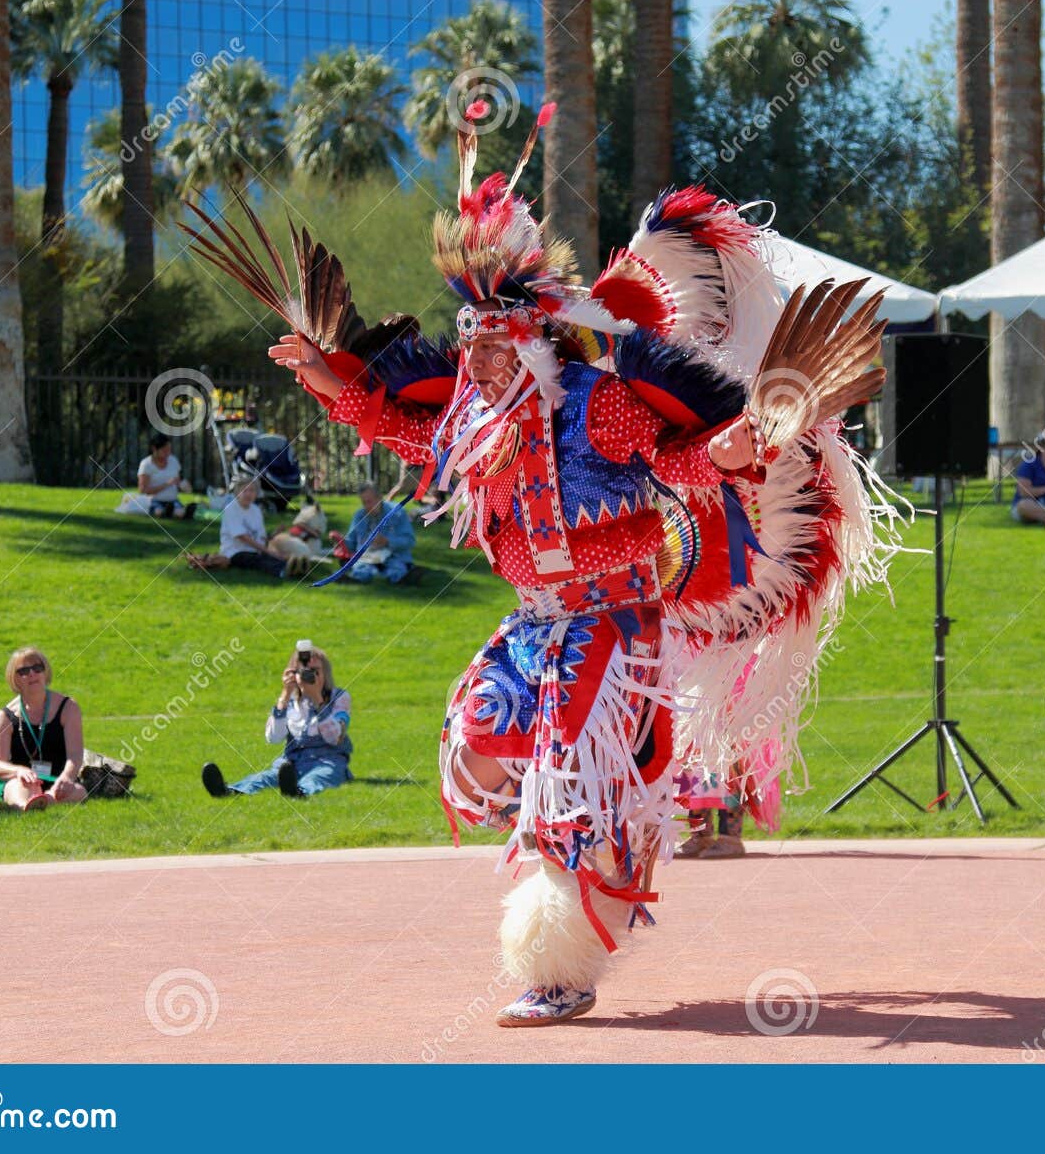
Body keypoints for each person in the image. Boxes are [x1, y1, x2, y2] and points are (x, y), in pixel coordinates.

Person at [195, 105, 895, 1025]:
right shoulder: (475, 422)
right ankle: (592, 827)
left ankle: (561, 960)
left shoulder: (597, 409)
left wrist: (733, 448)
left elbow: (673, 459)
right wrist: (328, 377)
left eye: (491, 341)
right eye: (469, 341)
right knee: (477, 743)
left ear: (531, 340)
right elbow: (407, 430)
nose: (474, 358)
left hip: (613, 628)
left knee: (577, 784)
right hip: (532, 624)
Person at [202, 643, 352, 798]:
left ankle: (298, 793)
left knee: (317, 778)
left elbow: (335, 738)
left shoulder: (339, 697)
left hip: (327, 761)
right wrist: (285, 695)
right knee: (264, 778)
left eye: (315, 671)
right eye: (304, 671)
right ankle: (229, 791)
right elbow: (273, 738)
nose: (310, 676)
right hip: (292, 761)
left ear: (325, 674)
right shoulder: (291, 701)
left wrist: (317, 699)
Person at [0, 647, 87, 811]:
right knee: (19, 788)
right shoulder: (5, 716)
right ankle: (25, 805)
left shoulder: (68, 707)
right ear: (15, 679)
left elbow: (75, 755)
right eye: (24, 671)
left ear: (45, 672)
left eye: (37, 668)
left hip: (56, 779)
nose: (32, 674)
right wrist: (19, 770)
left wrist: (67, 777)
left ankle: (45, 800)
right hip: (19, 781)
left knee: (79, 791)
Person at [187, 479, 306, 578]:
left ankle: (295, 567)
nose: (249, 494)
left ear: (256, 493)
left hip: (256, 550)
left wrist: (274, 534)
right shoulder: (231, 509)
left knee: (269, 556)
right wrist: (267, 551)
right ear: (237, 493)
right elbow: (243, 537)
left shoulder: (256, 510)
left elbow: (261, 537)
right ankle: (282, 571)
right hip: (235, 552)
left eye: (252, 490)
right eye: (245, 490)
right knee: (257, 560)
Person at [340, 481, 418, 585]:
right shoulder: (359, 516)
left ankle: (401, 578)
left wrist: (387, 541)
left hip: (393, 555)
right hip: (367, 557)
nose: (367, 506)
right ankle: (356, 578)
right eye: (364, 502)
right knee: (362, 569)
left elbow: (410, 541)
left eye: (370, 501)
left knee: (396, 568)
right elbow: (351, 542)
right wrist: (340, 542)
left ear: (380, 498)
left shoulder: (398, 513)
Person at [138, 433, 196, 519]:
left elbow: (178, 481)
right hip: (154, 500)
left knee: (178, 510)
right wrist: (166, 484)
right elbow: (143, 490)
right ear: (154, 449)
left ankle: (181, 513)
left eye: (169, 450)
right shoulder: (146, 464)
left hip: (172, 500)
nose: (168, 453)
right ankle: (168, 512)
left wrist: (184, 486)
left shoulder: (173, 461)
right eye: (165, 450)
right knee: (158, 510)